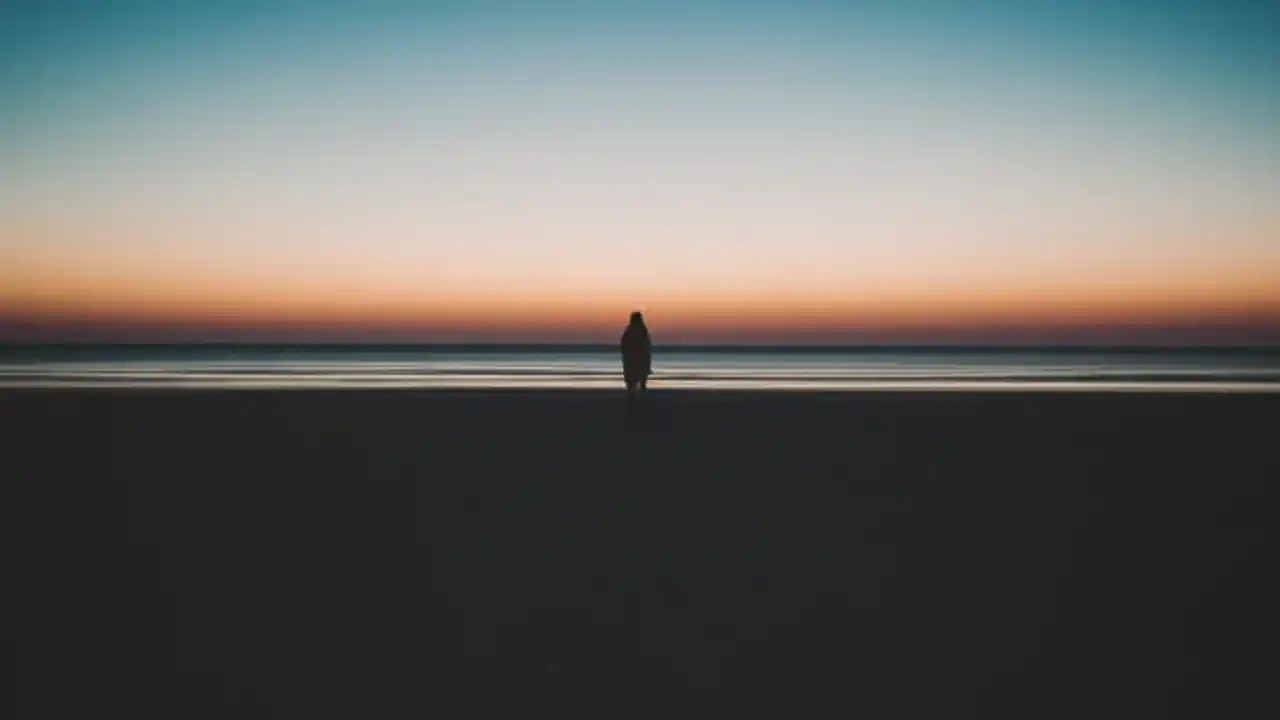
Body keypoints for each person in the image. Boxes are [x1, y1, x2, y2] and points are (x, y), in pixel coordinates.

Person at [620, 311, 652, 400]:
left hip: (633, 358)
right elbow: (646, 346)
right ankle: (639, 397)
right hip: (637, 358)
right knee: (640, 379)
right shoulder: (641, 331)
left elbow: (624, 345)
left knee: (633, 380)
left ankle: (633, 397)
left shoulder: (630, 331)